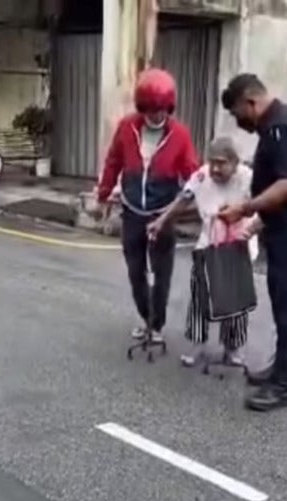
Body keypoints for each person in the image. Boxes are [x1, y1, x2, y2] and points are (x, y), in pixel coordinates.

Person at [217, 73, 287, 413]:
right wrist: (260, 223)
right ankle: (284, 370)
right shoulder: (280, 123)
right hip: (286, 224)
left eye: (237, 113)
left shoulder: (279, 128)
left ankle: (283, 384)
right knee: (282, 301)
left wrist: (245, 210)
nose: (238, 121)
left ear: (251, 101)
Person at [94, 68, 200, 343]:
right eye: (151, 110)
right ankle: (146, 316)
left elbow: (192, 172)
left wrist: (204, 199)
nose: (156, 116)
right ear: (141, 107)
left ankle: (157, 326)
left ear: (170, 106)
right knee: (135, 270)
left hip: (163, 214)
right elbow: (113, 160)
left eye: (162, 110)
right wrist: (104, 193)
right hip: (132, 211)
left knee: (162, 273)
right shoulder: (127, 127)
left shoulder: (180, 135)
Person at [147, 136, 260, 367]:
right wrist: (161, 221)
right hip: (208, 243)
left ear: (235, 162)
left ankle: (232, 348)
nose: (215, 168)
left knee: (235, 302)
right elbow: (184, 198)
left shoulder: (249, 179)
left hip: (239, 244)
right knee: (200, 298)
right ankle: (197, 343)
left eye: (221, 163)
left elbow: (264, 205)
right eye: (212, 162)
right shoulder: (202, 175)